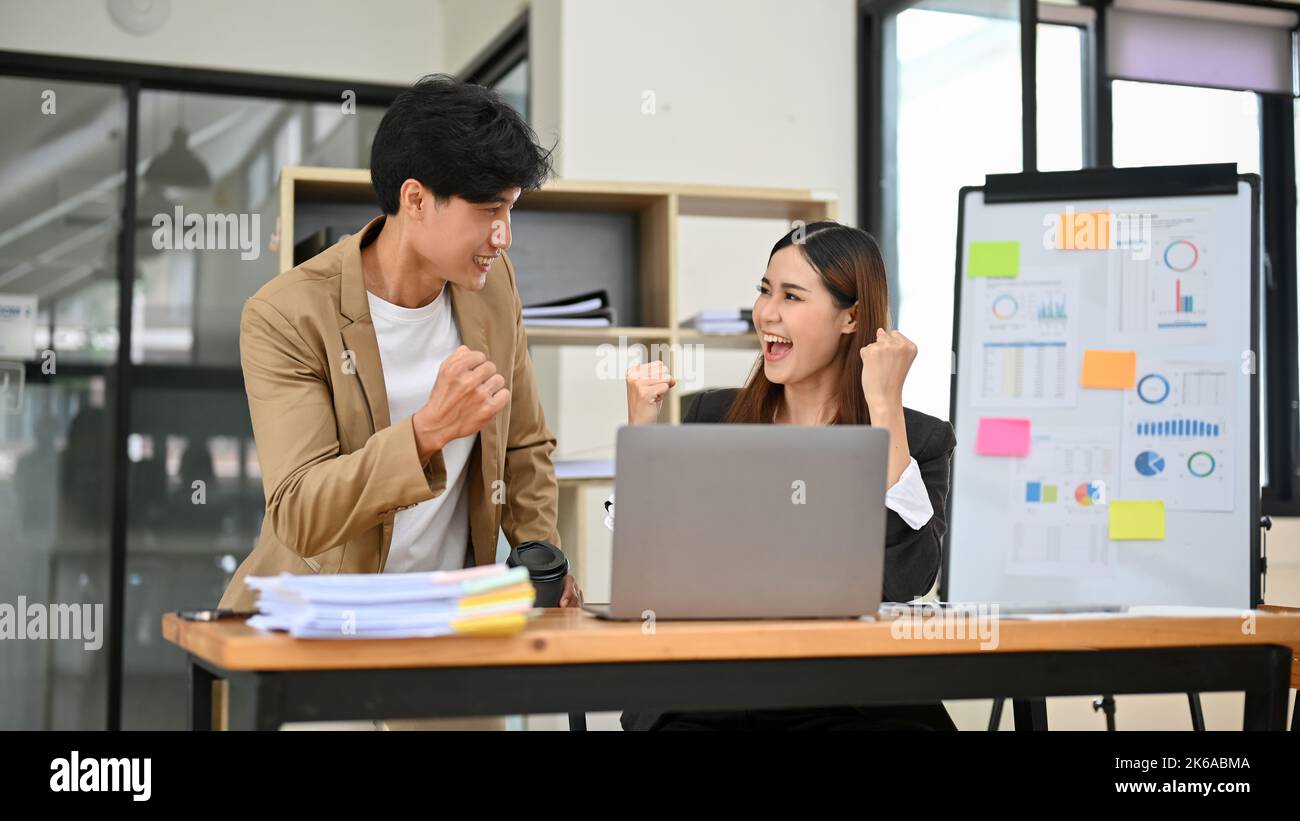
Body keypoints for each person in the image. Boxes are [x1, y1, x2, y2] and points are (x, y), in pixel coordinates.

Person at [220, 74, 581, 613]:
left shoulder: (494, 286)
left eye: (511, 209)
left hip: (453, 621)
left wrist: (543, 557)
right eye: (488, 210)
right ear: (415, 199)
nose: (503, 235)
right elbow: (299, 511)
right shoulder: (287, 315)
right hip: (324, 624)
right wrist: (427, 432)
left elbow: (524, 445)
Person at [615, 220, 956, 730]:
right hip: (713, 695)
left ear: (851, 317)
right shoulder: (712, 417)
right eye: (764, 290)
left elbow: (906, 579)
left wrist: (884, 407)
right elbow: (651, 573)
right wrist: (642, 436)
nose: (767, 313)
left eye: (792, 296)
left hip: (850, 697)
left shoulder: (921, 440)